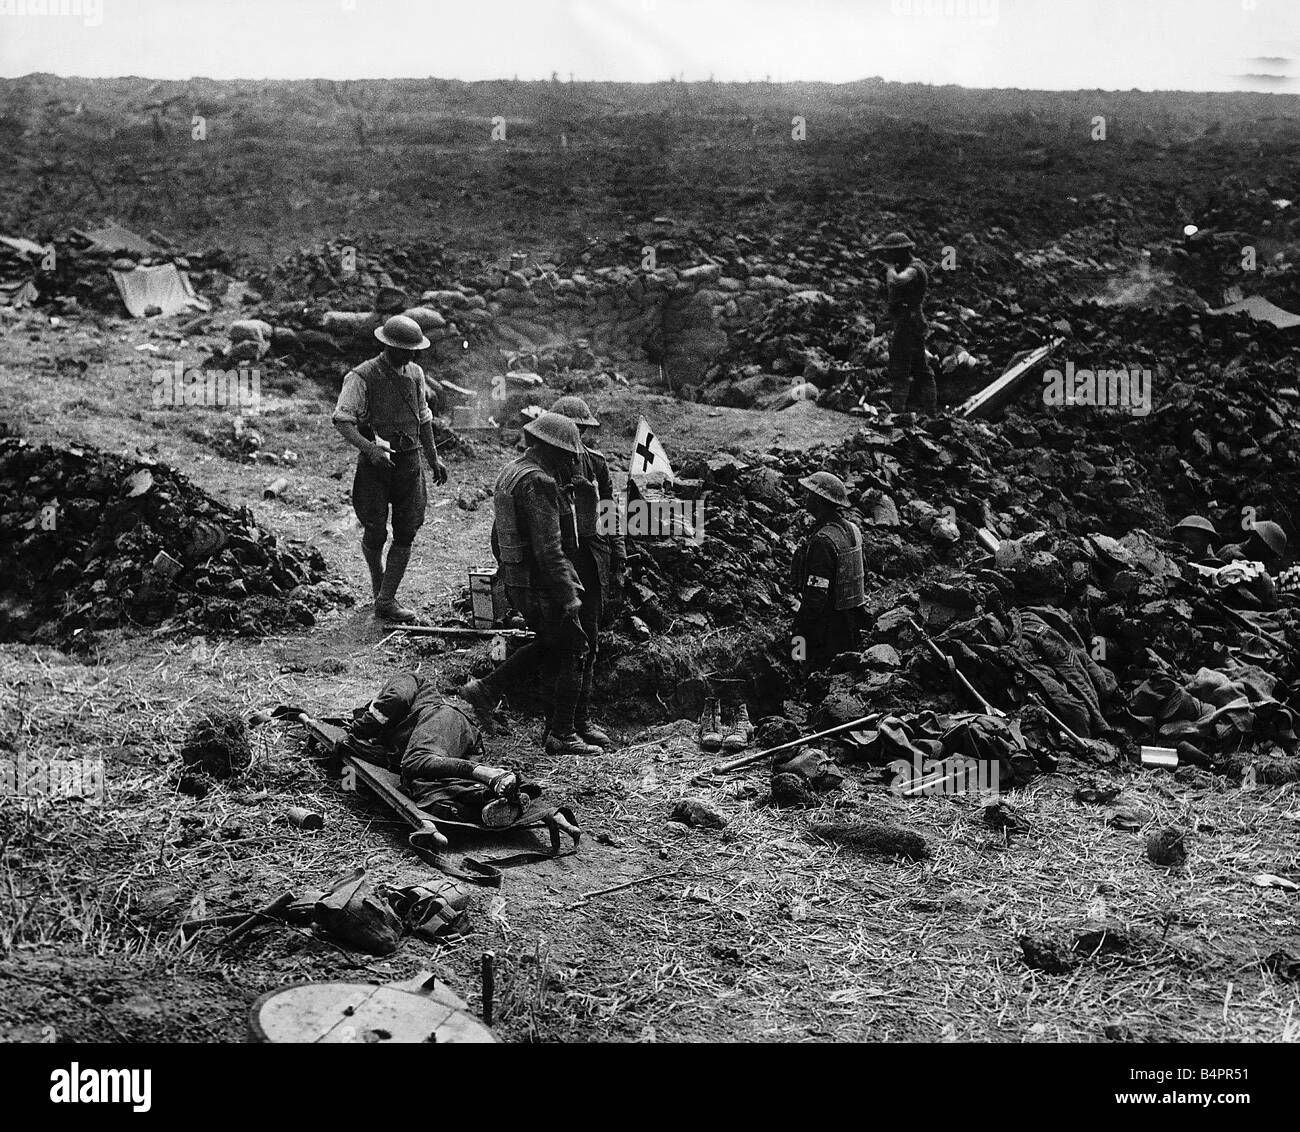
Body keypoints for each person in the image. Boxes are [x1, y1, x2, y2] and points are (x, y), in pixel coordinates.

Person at [460, 412, 603, 756]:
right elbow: (549, 549)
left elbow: (499, 538)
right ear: (551, 449)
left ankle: (486, 689)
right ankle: (562, 733)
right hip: (542, 584)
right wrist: (568, 594)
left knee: (552, 642)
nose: (573, 460)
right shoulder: (540, 483)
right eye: (568, 454)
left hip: (520, 581)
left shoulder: (512, 471)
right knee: (575, 648)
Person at [332, 314, 449, 622]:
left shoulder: (416, 374)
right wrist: (370, 449)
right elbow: (342, 420)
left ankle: (386, 600)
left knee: (406, 531)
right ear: (387, 345)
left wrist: (433, 459)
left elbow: (424, 417)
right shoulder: (361, 376)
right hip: (376, 465)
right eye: (404, 350)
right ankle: (378, 581)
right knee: (375, 530)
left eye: (413, 350)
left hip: (409, 464)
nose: (410, 355)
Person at [342, 671, 539, 828]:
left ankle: (493, 775)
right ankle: (495, 803)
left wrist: (359, 727)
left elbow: (398, 698)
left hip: (442, 719)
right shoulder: (394, 736)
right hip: (452, 746)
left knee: (415, 761)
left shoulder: (407, 679)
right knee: (421, 785)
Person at [548, 396, 626, 749]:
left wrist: (618, 559)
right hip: (561, 567)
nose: (575, 437)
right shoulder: (546, 468)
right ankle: (560, 727)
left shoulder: (597, 465)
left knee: (589, 645)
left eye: (580, 430)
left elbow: (611, 516)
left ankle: (580, 720)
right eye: (570, 429)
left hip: (592, 566)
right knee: (566, 645)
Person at [790, 471, 866, 673]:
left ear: (819, 501)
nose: (806, 498)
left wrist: (800, 628)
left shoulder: (823, 541)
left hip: (829, 628)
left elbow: (816, 597)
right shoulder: (852, 529)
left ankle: (799, 678)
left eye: (810, 494)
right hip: (852, 621)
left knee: (801, 654)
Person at [870, 231, 935, 416]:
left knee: (901, 369)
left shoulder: (914, 268)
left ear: (902, 251)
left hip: (909, 324)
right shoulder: (906, 266)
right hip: (908, 322)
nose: (889, 256)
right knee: (920, 368)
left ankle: (898, 414)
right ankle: (930, 414)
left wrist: (890, 269)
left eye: (891, 252)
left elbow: (898, 281)